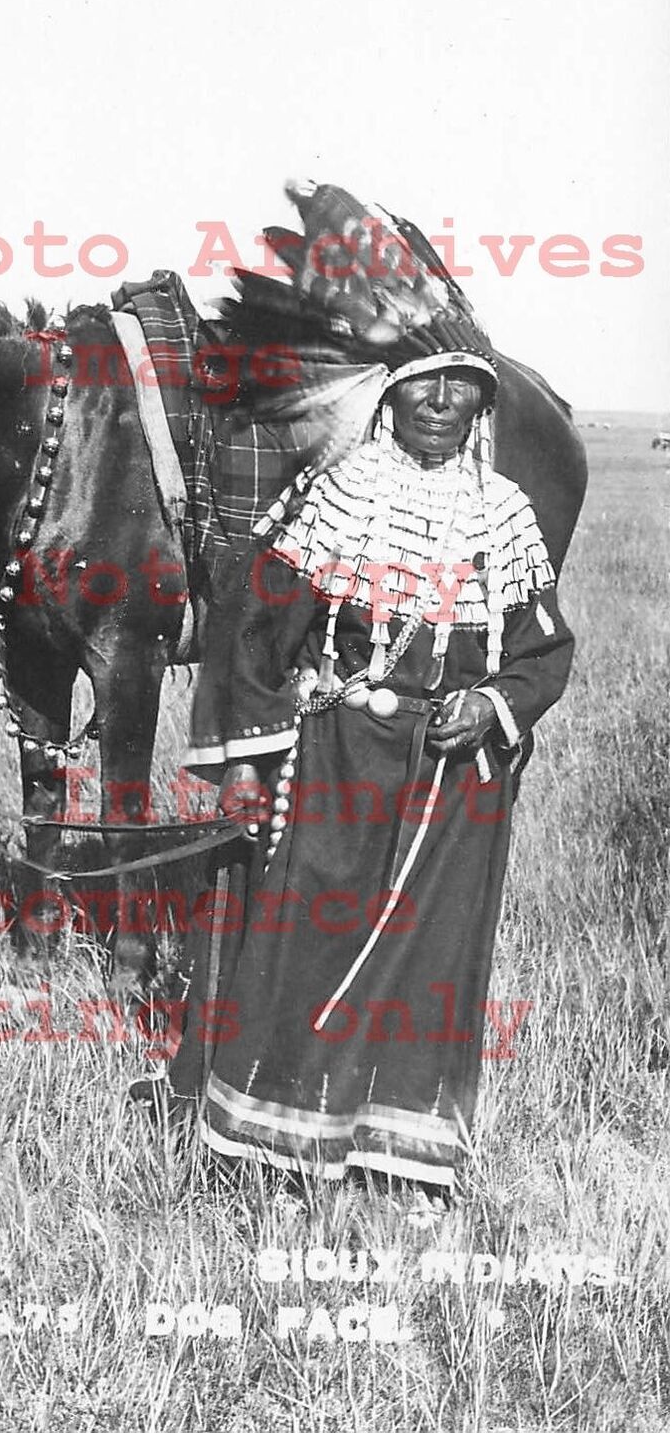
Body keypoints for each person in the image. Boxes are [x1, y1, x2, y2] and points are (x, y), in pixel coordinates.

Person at [150, 351, 574, 1196]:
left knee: (430, 960)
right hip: (336, 760)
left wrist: (490, 705)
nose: (441, 401)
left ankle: (396, 1157)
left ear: (483, 406)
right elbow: (257, 633)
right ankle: (268, 1147)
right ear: (391, 394)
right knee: (307, 941)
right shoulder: (337, 495)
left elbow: (542, 651)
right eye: (424, 381)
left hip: (454, 785)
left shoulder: (504, 513)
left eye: (462, 387)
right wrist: (247, 760)